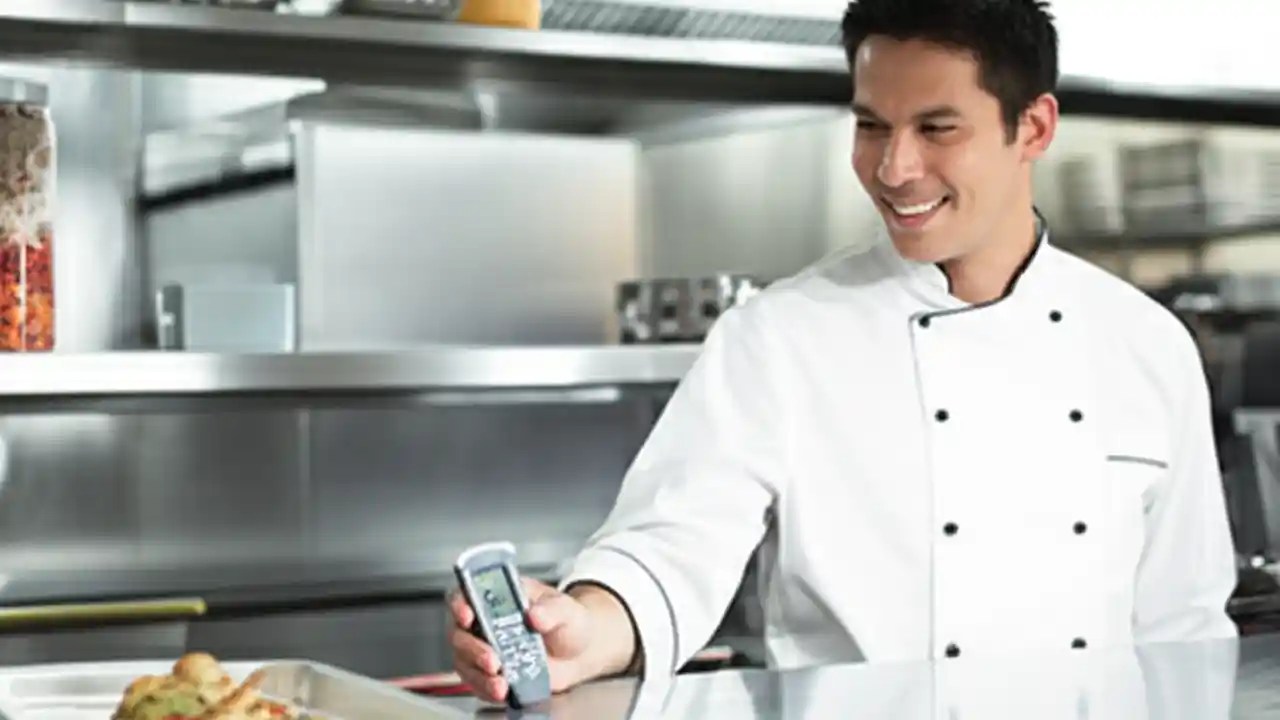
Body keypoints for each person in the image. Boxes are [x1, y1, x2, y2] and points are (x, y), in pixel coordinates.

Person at [449, 0, 1239, 703]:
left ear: (1032, 127)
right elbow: (673, 546)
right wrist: (585, 629)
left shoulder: (1144, 344)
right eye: (870, 126)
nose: (893, 168)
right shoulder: (781, 336)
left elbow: (1187, 629)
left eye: (936, 128)